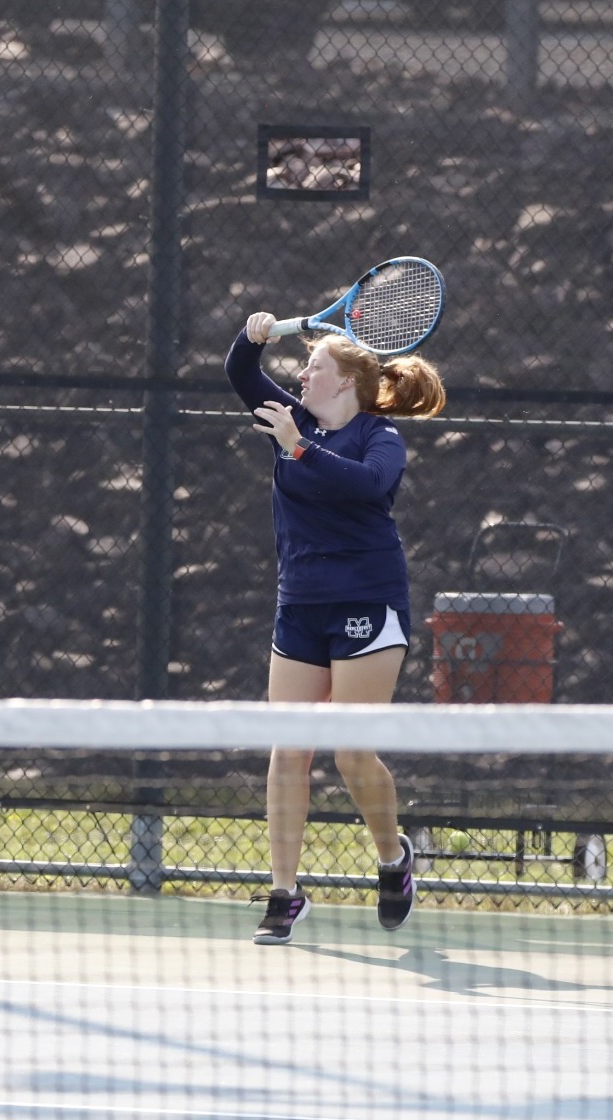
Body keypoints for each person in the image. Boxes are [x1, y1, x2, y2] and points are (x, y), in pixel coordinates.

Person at [226, 309, 447, 945]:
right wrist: (255, 336)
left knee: (351, 754)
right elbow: (240, 370)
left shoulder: (381, 438)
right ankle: (284, 894)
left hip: (368, 603)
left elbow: (364, 486)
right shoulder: (289, 421)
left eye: (313, 368)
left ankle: (391, 858)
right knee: (288, 751)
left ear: (345, 383)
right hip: (298, 605)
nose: (301, 378)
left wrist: (298, 445)